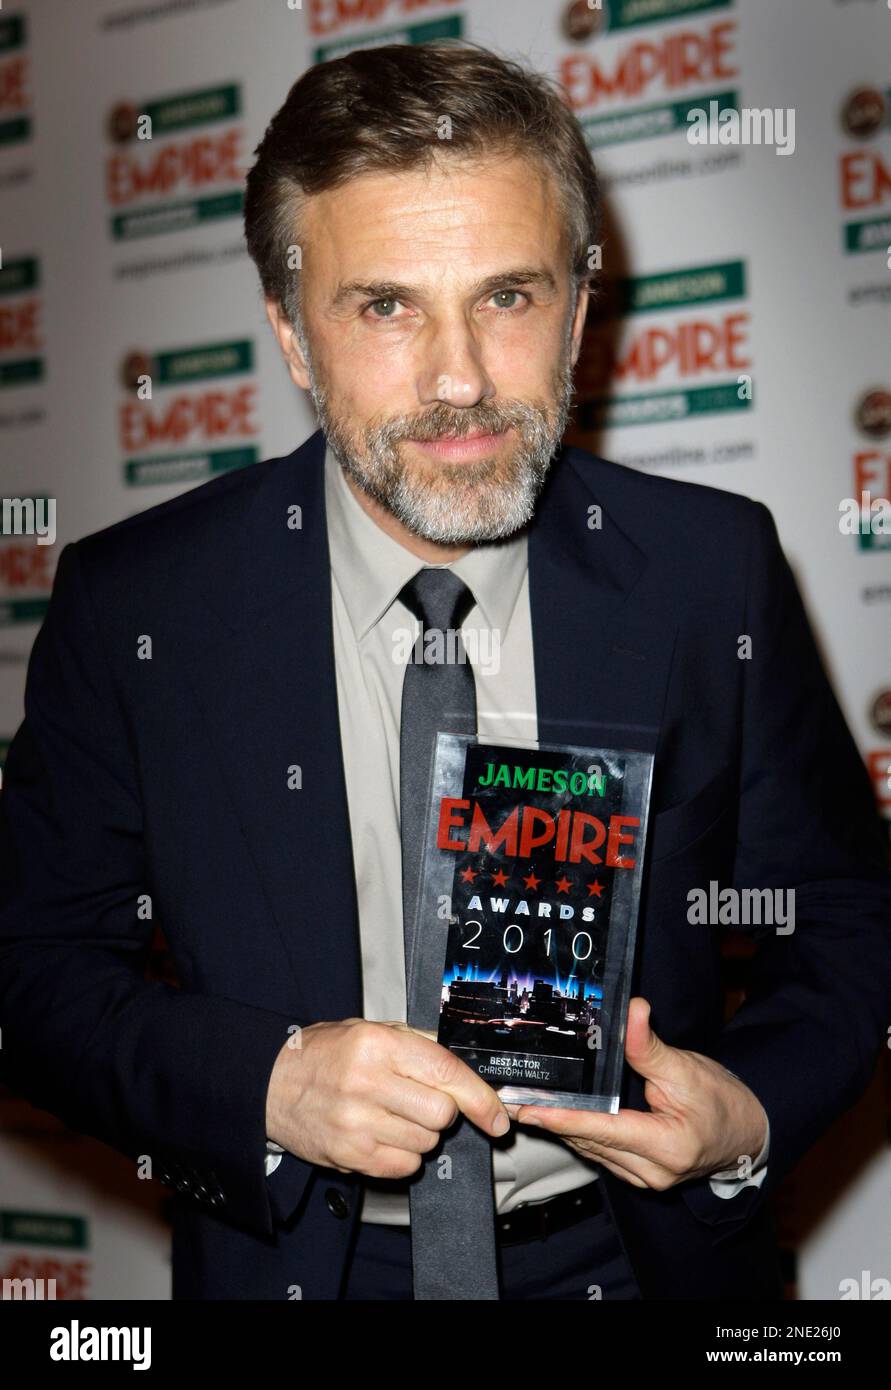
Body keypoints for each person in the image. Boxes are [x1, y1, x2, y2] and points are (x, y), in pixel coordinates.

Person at [1, 41, 889, 1302]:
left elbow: (841, 921)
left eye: (509, 297)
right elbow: (31, 964)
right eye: (386, 306)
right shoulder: (139, 607)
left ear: (580, 311)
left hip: (639, 1264)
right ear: (293, 334)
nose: (459, 376)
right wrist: (268, 1080)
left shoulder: (710, 571)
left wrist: (744, 1110)